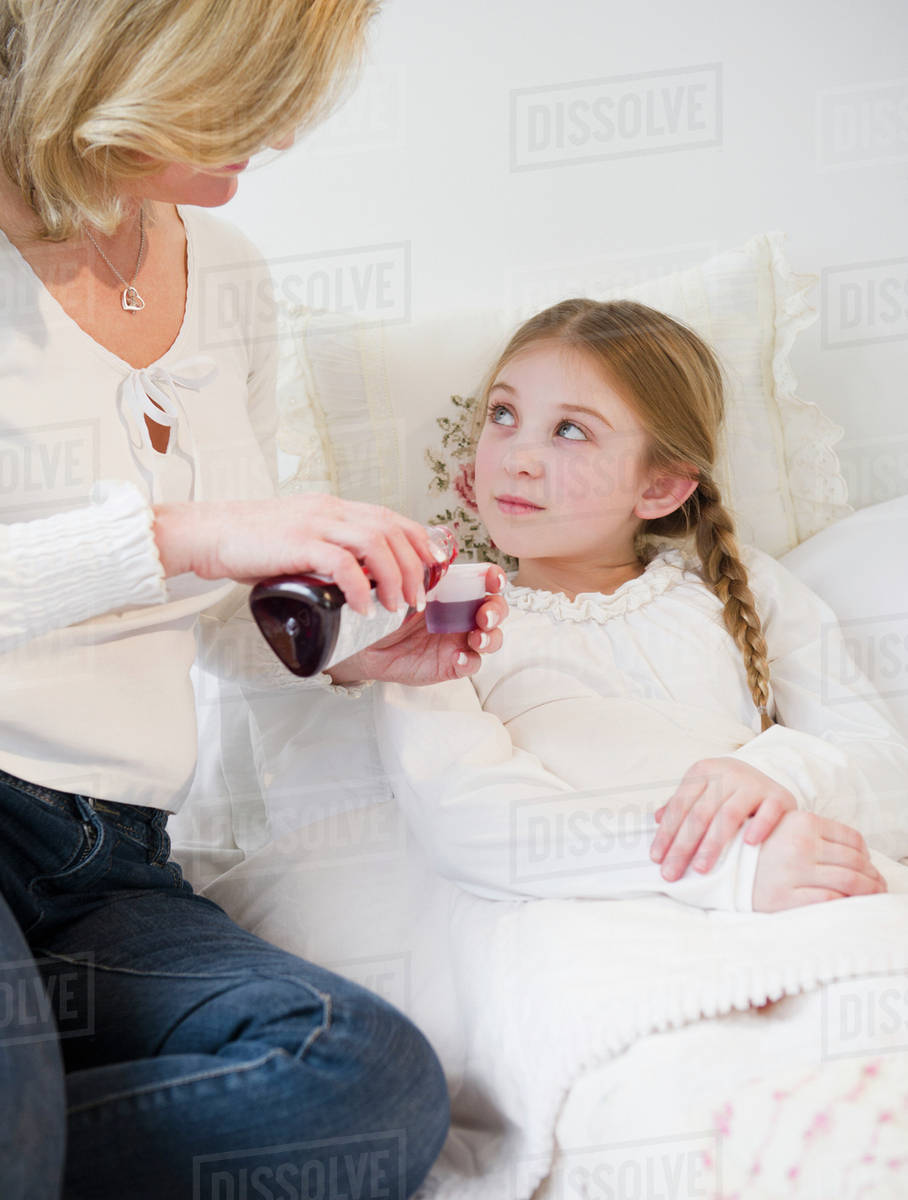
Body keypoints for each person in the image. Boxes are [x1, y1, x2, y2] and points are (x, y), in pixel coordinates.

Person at [0, 2, 508, 1197]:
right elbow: (188, 545)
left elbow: (212, 613)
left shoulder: (229, 274)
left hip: (105, 861)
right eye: (247, 92)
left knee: (361, 1084)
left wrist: (344, 650)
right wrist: (193, 529)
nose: (278, 133)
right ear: (126, 57)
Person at [373, 297, 908, 912]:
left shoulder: (742, 588)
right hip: (589, 923)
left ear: (658, 486)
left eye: (569, 430)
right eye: (502, 414)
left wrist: (780, 776)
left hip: (793, 891)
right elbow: (468, 822)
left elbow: (888, 772)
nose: (516, 459)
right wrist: (727, 866)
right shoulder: (438, 622)